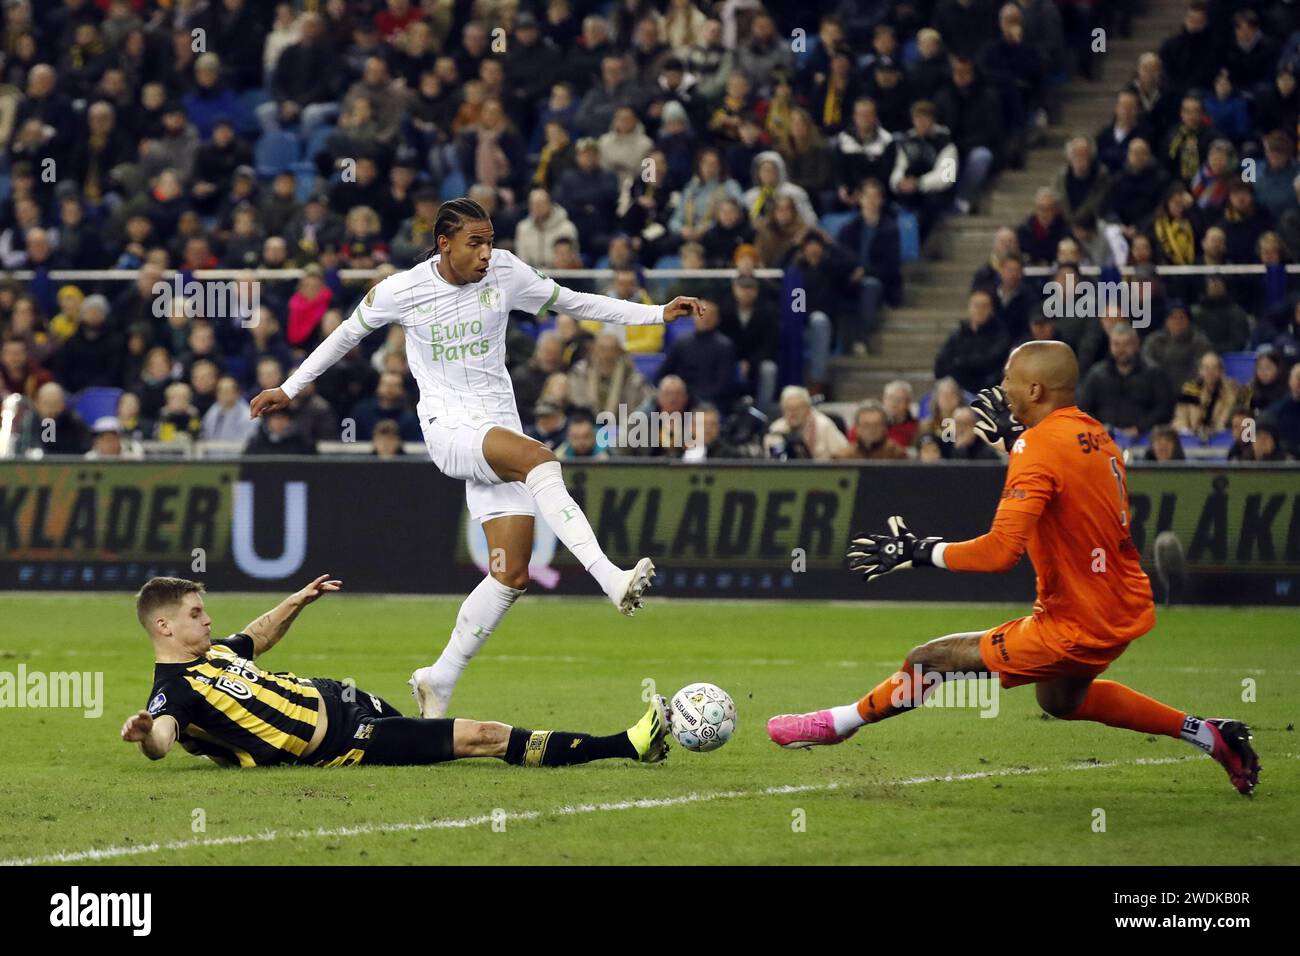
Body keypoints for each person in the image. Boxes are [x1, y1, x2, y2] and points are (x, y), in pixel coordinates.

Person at [251, 198, 702, 718]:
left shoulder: (506, 272)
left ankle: (437, 679)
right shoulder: (403, 289)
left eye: (490, 241)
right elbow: (347, 334)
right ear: (444, 243)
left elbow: (575, 302)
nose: (487, 252)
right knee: (542, 461)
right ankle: (609, 577)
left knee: (510, 574)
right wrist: (289, 387)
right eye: (475, 243)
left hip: (496, 429)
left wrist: (656, 313)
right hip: (448, 430)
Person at [768, 341, 1261, 797]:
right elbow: (1060, 479)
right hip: (1120, 606)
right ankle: (1210, 732)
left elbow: (1000, 552)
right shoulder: (1096, 435)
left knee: (930, 660)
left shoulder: (1036, 447)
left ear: (1035, 390)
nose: (1001, 389)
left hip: (1075, 621)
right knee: (1061, 702)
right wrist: (1019, 439)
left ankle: (837, 724)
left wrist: (920, 551)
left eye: (1009, 379)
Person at [122, 576, 668, 769]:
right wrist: (146, 733)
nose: (208, 618)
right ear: (164, 627)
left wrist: (298, 601)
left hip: (344, 698)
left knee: (428, 732)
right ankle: (628, 744)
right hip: (345, 741)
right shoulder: (172, 693)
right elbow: (164, 740)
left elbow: (256, 635)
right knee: (481, 738)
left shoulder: (212, 654)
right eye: (196, 614)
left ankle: (429, 723)